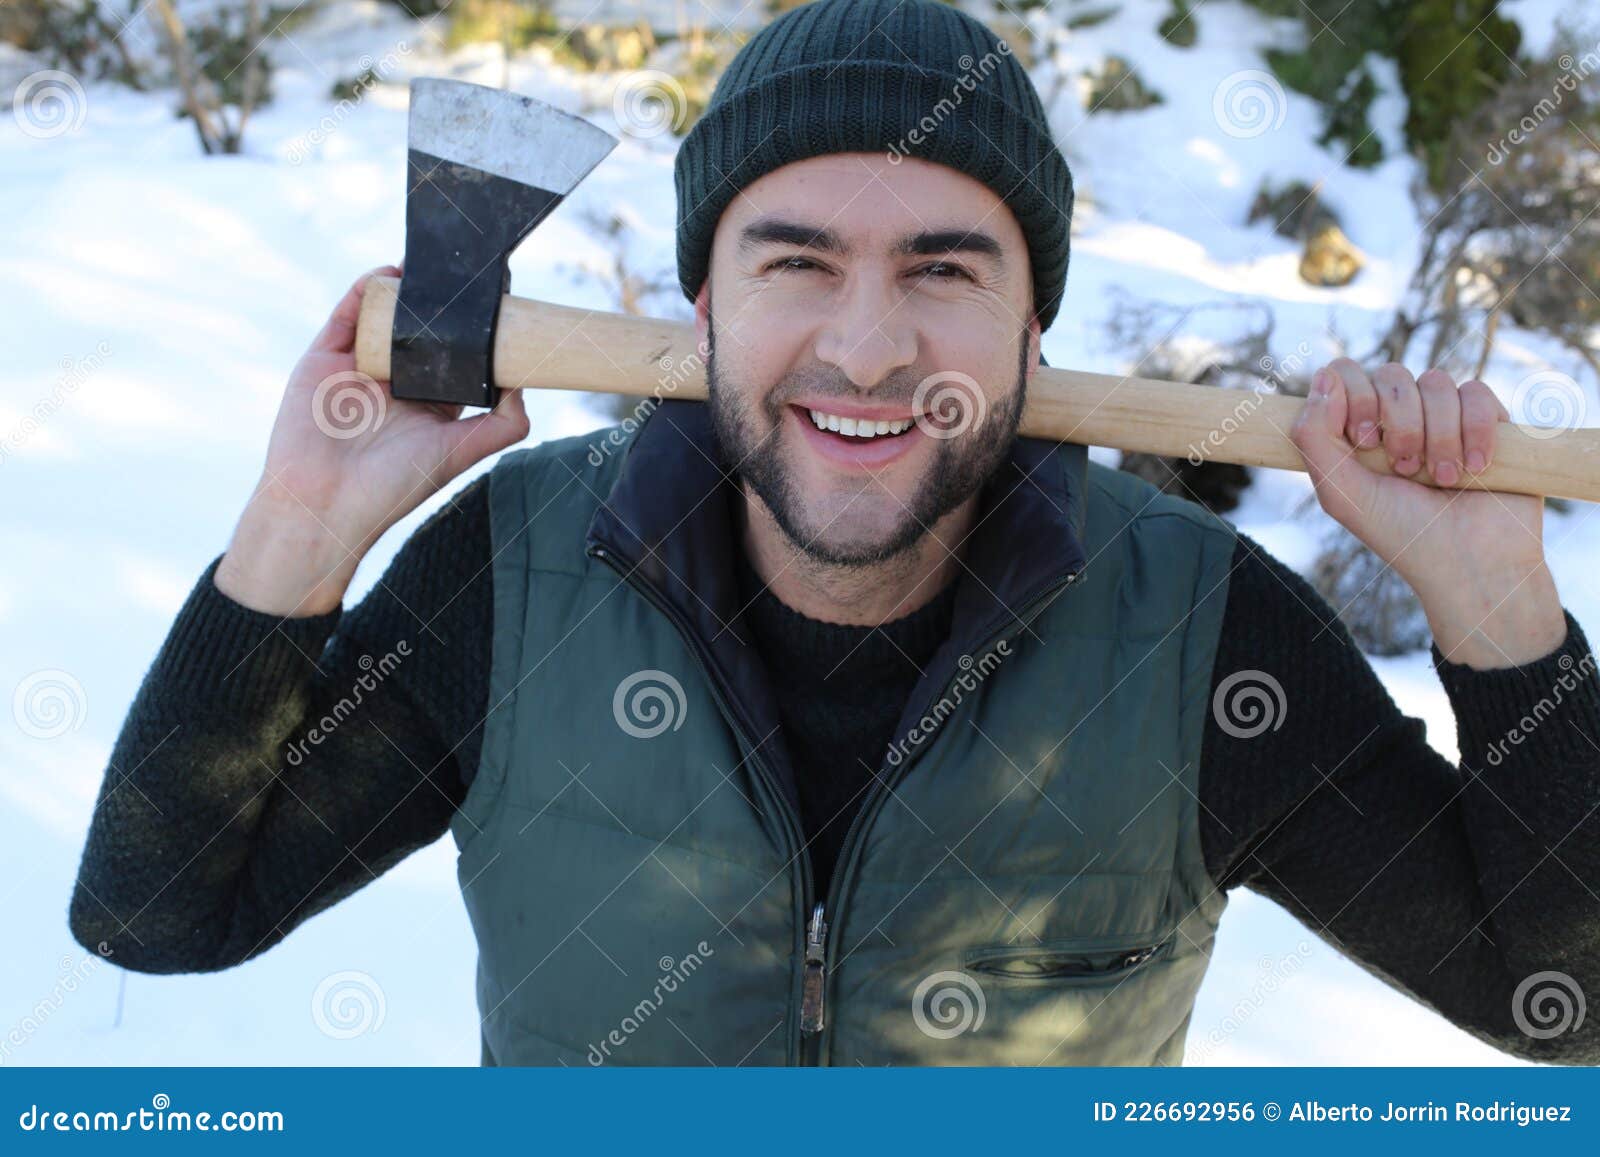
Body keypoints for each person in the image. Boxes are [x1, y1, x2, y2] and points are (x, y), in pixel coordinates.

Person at [70, 0, 1599, 1066]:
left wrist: (1494, 602)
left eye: (944, 269)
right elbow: (158, 912)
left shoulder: (1197, 628)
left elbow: (1563, 1001)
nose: (867, 349)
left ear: (1034, 326)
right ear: (701, 303)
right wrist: (298, 524)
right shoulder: (515, 572)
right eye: (796, 260)